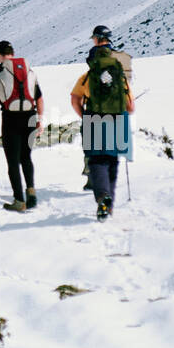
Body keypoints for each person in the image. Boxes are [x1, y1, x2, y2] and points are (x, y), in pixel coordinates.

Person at [70, 25, 134, 220]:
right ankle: (110, 202)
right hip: (115, 119)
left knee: (96, 161)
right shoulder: (119, 75)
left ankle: (102, 198)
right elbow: (130, 106)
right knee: (111, 160)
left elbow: (74, 98)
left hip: (93, 118)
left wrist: (84, 115)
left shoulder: (88, 76)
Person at [0, 40, 44, 212]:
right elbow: (39, 98)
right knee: (26, 157)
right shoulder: (27, 70)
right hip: (30, 116)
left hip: (11, 119)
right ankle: (31, 191)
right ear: (13, 54)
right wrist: (39, 119)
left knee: (13, 161)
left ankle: (19, 201)